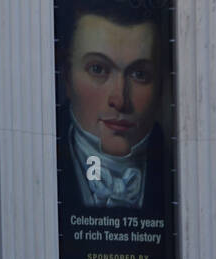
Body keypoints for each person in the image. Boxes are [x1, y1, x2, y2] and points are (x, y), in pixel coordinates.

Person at [57, 0, 168, 212]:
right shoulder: (43, 163)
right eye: (98, 69)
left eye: (139, 74)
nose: (119, 99)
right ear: (67, 78)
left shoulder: (175, 171)